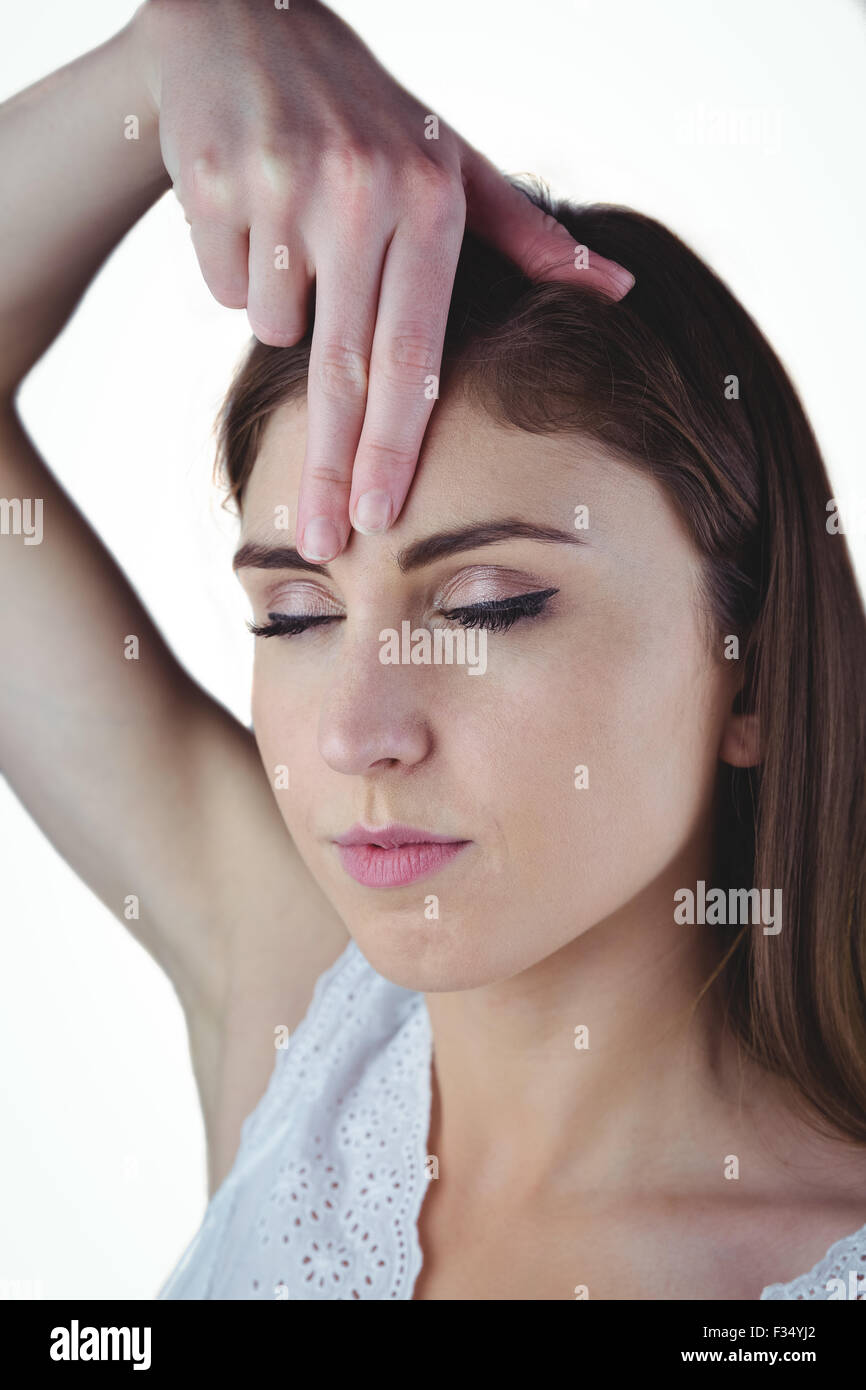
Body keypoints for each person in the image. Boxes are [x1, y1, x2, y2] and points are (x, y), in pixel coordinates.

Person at [1, 0, 863, 1302]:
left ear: (744, 660)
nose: (357, 731)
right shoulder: (304, 1007)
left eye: (485, 605)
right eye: (294, 615)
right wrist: (175, 48)